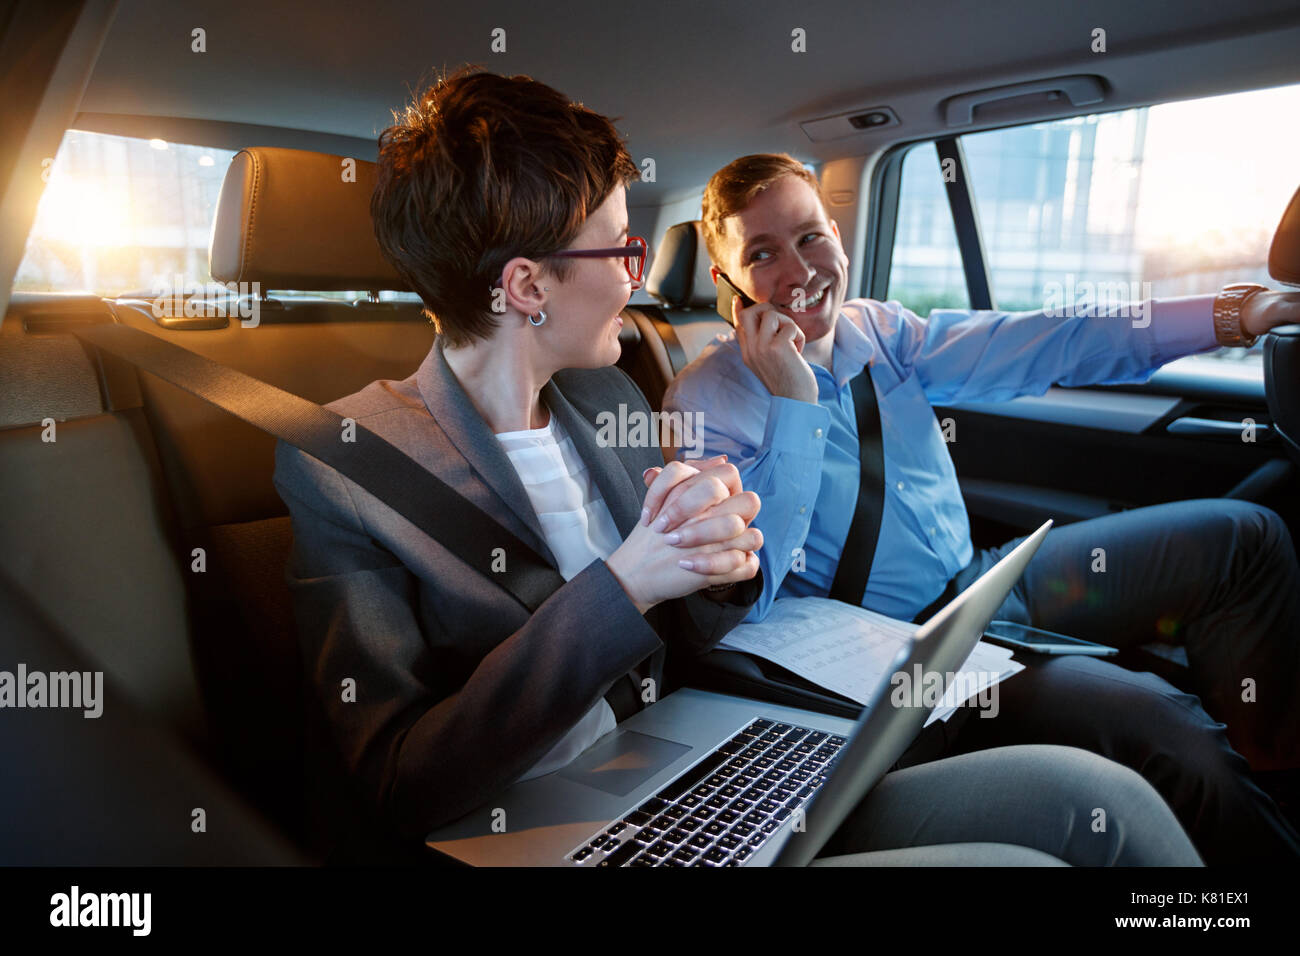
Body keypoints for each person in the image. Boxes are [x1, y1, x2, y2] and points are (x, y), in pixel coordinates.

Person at [273, 69, 1198, 866]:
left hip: (709, 752)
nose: (639, 278)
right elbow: (401, 780)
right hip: (554, 829)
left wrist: (721, 561)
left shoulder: (606, 403)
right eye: (621, 248)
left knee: (1099, 806)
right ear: (526, 287)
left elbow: (699, 631)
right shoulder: (349, 468)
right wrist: (625, 582)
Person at [661, 151, 1300, 864]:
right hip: (901, 654)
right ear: (728, 285)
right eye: (763, 253)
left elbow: (1048, 340)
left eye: (810, 237)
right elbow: (742, 593)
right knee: (1169, 730)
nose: (800, 270)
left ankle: (1274, 787)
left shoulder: (882, 332)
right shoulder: (703, 403)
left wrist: (1232, 314)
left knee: (1245, 538)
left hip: (989, 583)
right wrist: (793, 404)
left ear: (838, 237)